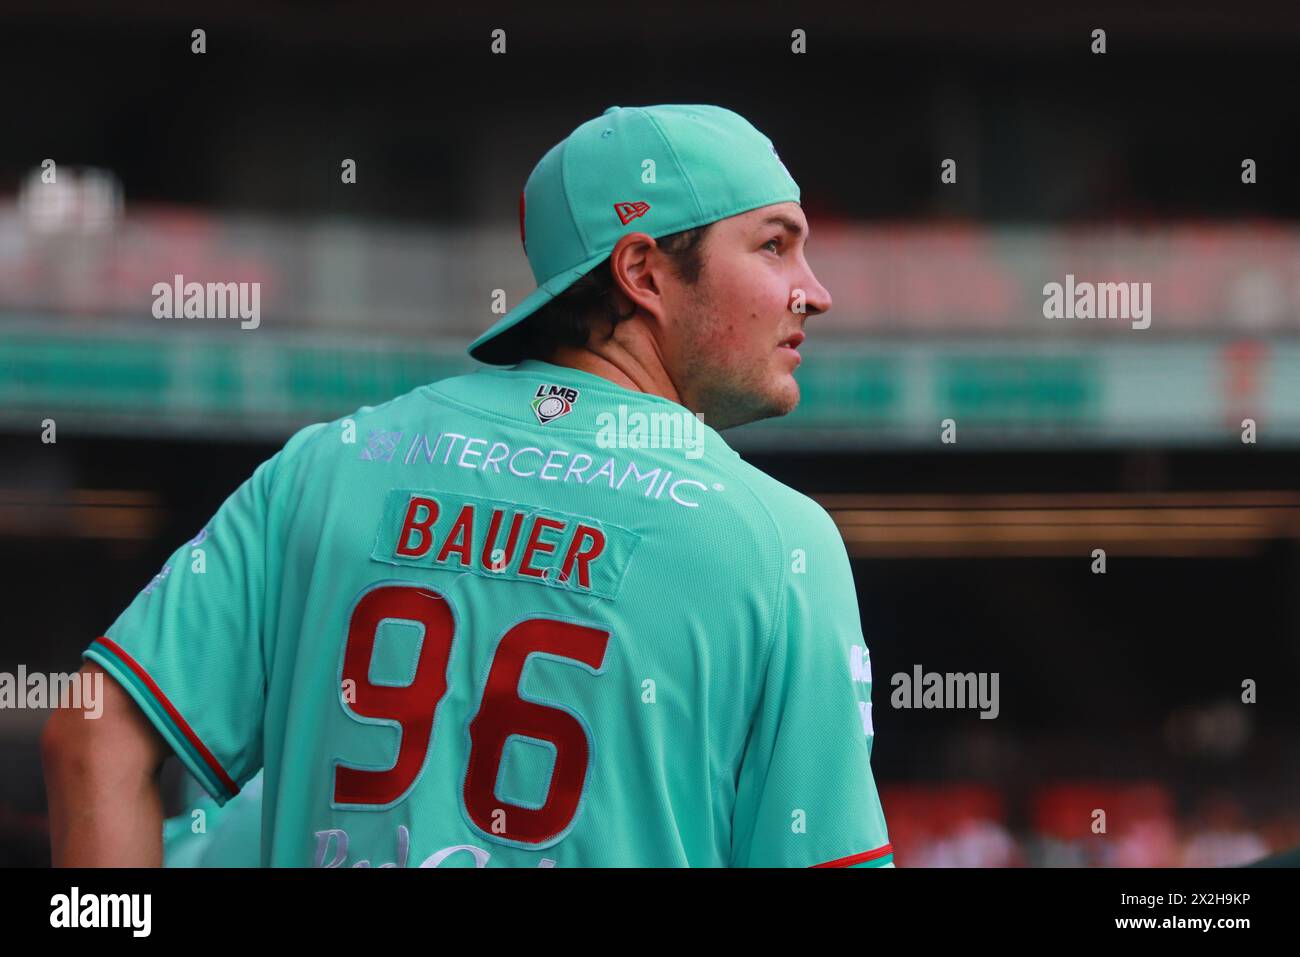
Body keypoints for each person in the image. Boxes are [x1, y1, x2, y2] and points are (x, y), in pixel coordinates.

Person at [42, 104, 892, 867]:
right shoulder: (779, 541)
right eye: (775, 244)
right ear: (642, 271)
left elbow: (90, 737)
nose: (814, 292)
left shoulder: (325, 464)